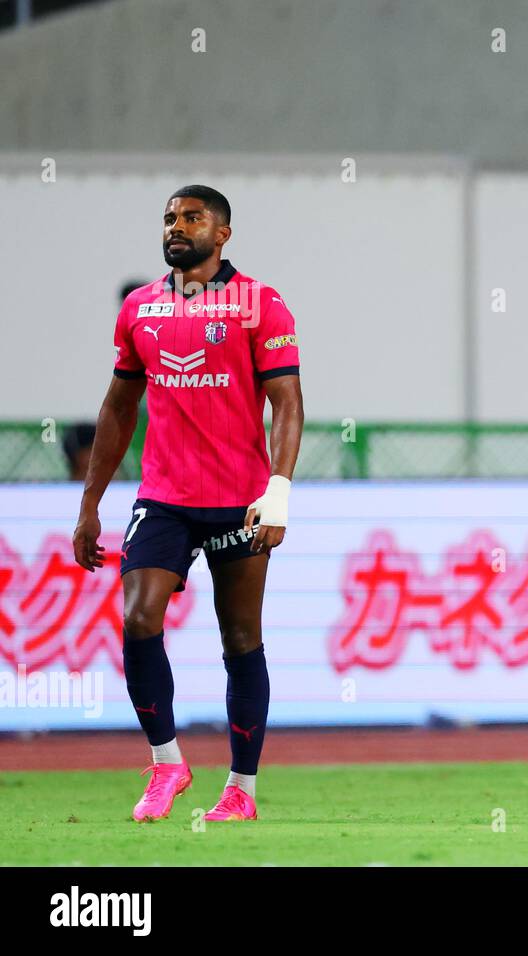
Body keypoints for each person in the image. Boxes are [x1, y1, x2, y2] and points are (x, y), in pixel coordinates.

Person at [72, 185, 304, 823]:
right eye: (170, 218)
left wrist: (277, 493)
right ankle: (167, 762)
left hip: (239, 501)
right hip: (164, 499)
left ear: (223, 232)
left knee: (240, 640)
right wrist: (91, 503)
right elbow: (119, 408)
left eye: (192, 217)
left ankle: (242, 792)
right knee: (139, 618)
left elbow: (287, 403)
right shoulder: (140, 308)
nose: (177, 226)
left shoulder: (260, 304)